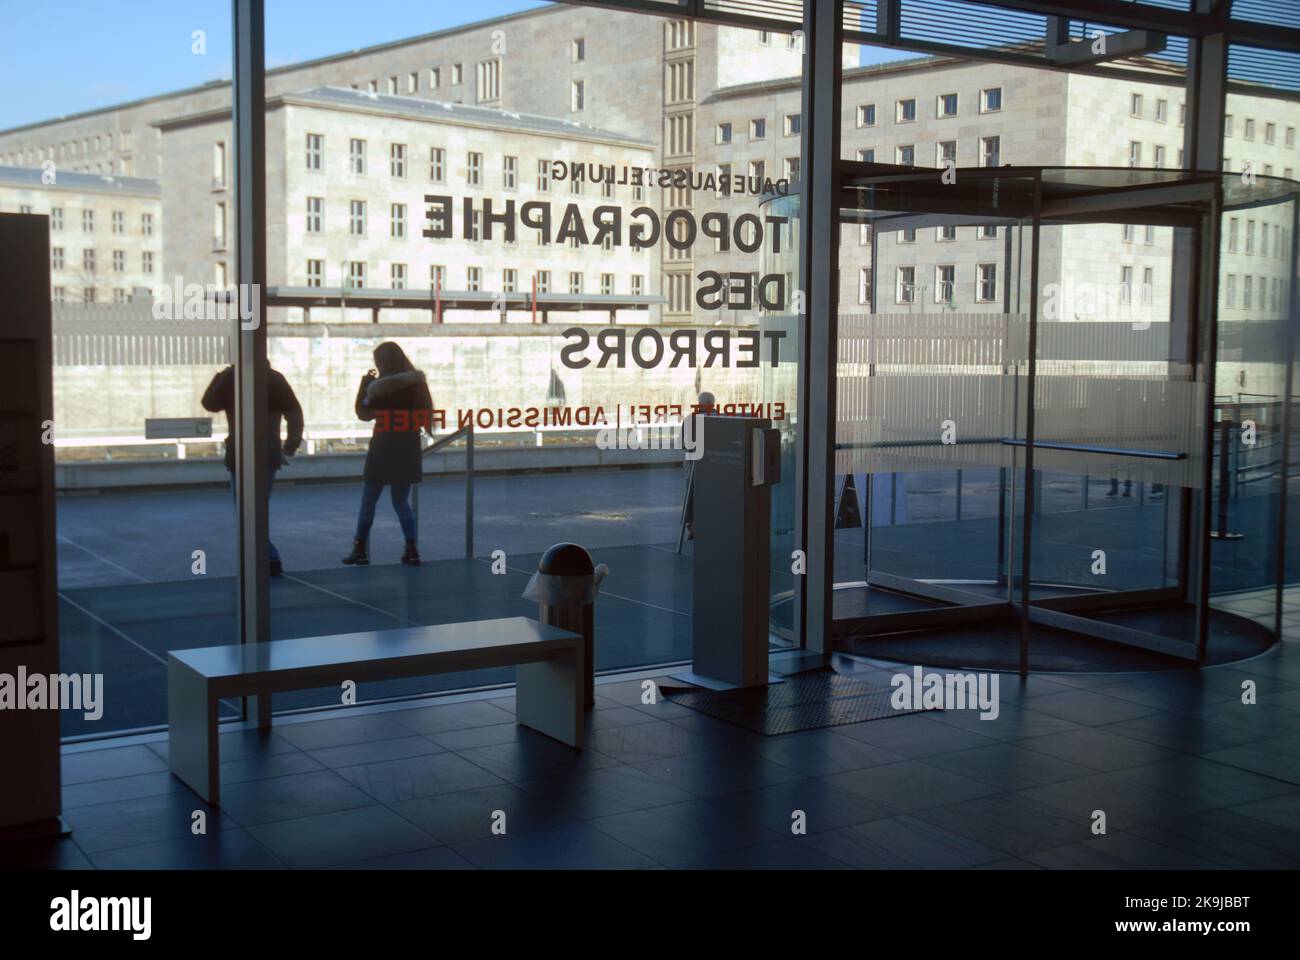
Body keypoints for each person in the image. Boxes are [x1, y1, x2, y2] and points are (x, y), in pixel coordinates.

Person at [201, 362, 304, 576]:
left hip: (239, 453)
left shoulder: (232, 378)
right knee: (257, 507)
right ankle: (265, 555)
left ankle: (266, 556)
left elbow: (209, 403)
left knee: (244, 509)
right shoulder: (274, 379)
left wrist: (221, 375)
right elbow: (294, 412)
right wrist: (292, 442)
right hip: (268, 452)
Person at [342, 342, 435, 566]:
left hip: (383, 447)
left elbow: (363, 413)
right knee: (401, 501)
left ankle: (360, 548)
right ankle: (412, 549)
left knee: (369, 500)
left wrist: (366, 386)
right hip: (407, 446)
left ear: (382, 362)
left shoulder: (376, 386)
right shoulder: (417, 383)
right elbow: (425, 414)